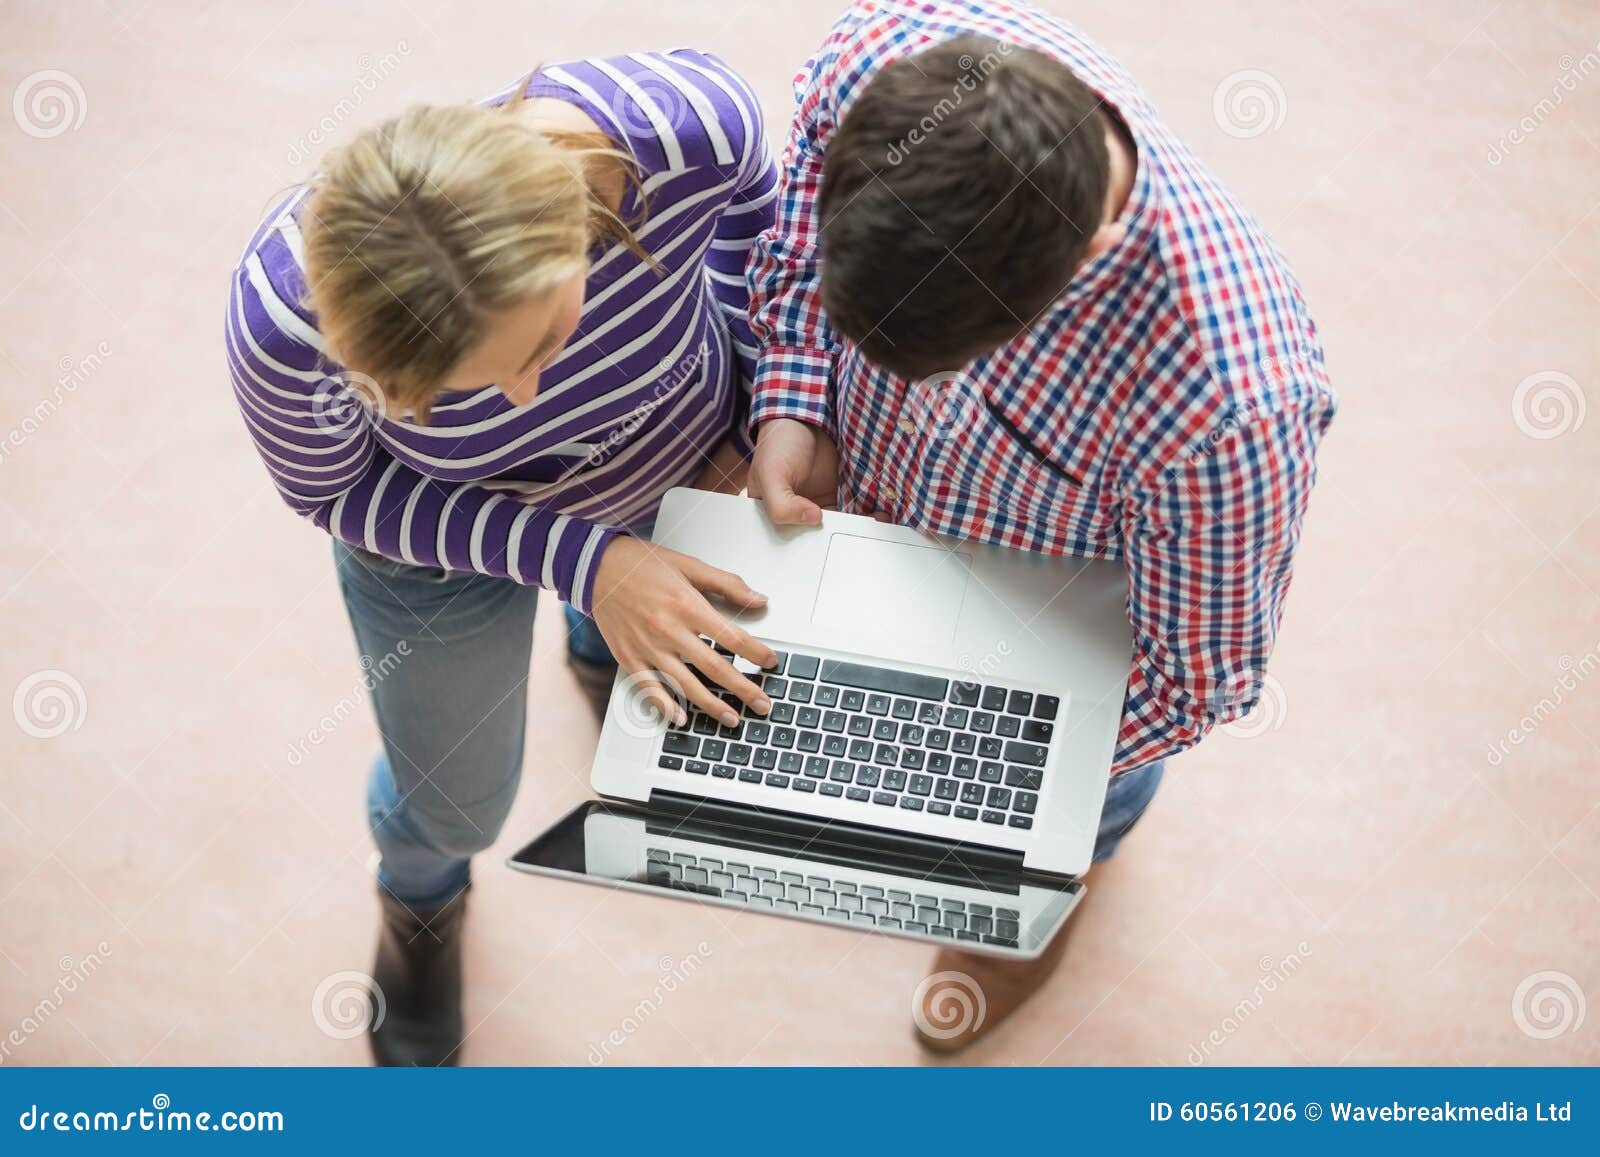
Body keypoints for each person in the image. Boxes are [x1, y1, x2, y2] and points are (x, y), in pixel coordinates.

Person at [745, 0, 1336, 1051]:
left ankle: (1020, 915)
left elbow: (1187, 676)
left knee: (1071, 824)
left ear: (1089, 259)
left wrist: (959, 748)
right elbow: (795, 230)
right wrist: (795, 398)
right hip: (876, 530)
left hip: (1054, 639)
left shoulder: (1229, 405)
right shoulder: (883, 53)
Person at [227, 51, 780, 1065]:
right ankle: (420, 904)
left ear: (579, 226)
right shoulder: (283, 325)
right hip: (440, 543)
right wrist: (587, 561)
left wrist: (761, 406)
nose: (524, 402)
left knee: (644, 620)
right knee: (456, 798)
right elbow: (336, 490)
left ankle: (595, 646)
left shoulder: (690, 126)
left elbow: (764, 244)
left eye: (544, 342)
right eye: (456, 394)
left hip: (682, 457)